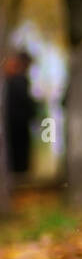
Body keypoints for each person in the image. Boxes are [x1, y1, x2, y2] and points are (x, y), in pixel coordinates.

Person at [3, 49, 37, 178]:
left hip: (14, 124)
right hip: (19, 125)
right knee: (20, 156)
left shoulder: (11, 81)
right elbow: (25, 103)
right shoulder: (19, 81)